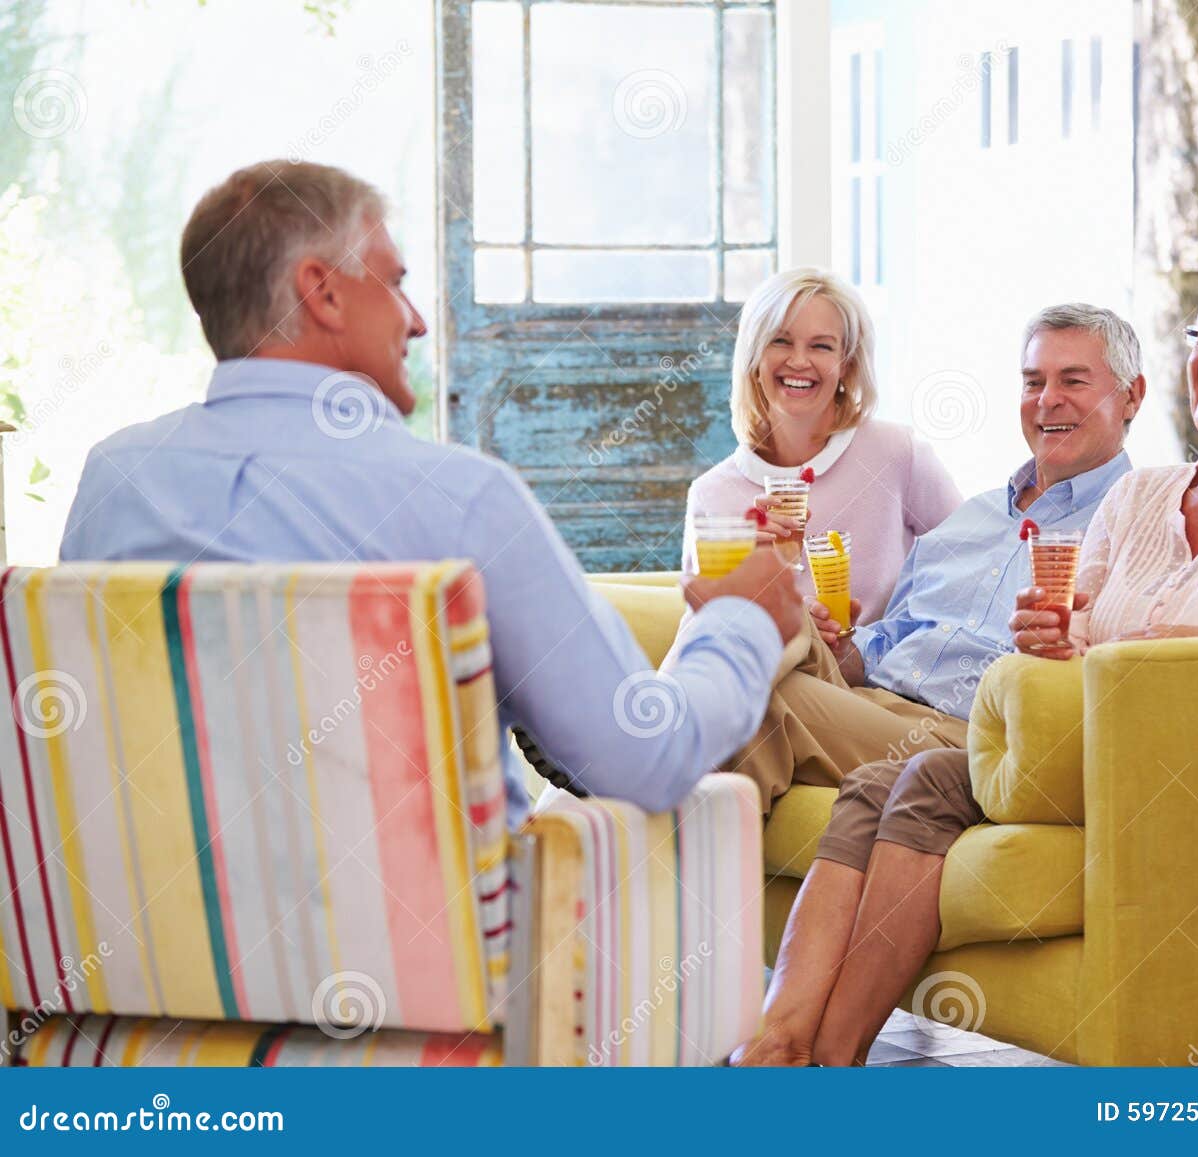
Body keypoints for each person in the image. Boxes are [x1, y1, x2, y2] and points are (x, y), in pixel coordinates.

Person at [739, 262, 1198, 1066]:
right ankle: (801, 1054)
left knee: (916, 766)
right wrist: (1055, 637)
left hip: (1188, 761)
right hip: (1076, 740)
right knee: (899, 776)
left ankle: (810, 1058)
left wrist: (1136, 650)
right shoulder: (1146, 498)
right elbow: (1077, 626)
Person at [58, 159, 805, 823]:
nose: (416, 321)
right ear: (321, 292)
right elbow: (646, 759)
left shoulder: (113, 482)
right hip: (430, 974)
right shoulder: (459, 501)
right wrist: (743, 618)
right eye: (394, 282)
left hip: (144, 973)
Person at [722, 303, 1147, 814]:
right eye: (1033, 382)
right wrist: (838, 644)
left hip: (967, 736)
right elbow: (876, 653)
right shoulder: (972, 517)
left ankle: (644, 815)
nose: (1047, 401)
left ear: (1131, 396)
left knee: (754, 700)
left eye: (1073, 381)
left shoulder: (1135, 522)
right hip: (869, 703)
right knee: (749, 615)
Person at [684, 268, 962, 625]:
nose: (799, 361)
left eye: (821, 346)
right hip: (768, 677)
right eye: (780, 341)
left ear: (846, 364)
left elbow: (970, 566)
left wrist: (881, 645)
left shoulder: (896, 455)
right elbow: (703, 642)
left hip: (869, 677)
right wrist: (745, 587)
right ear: (754, 359)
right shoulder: (712, 496)